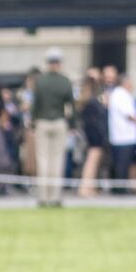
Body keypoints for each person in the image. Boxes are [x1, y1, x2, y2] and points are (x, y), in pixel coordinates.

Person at [31, 48, 73, 206]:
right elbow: (71, 105)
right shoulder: (65, 81)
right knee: (57, 160)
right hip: (59, 121)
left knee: (42, 160)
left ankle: (43, 197)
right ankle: (55, 197)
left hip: (42, 121)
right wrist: (72, 124)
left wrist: (33, 122)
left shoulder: (40, 81)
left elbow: (35, 105)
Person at [104, 67, 136, 194]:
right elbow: (130, 115)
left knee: (121, 164)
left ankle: (120, 188)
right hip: (124, 137)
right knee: (122, 165)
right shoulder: (121, 94)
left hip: (123, 136)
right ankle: (120, 189)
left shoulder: (118, 94)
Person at [77, 72, 108, 197]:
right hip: (95, 135)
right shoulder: (93, 101)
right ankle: (86, 188)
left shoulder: (84, 101)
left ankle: (89, 187)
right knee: (92, 161)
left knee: (91, 160)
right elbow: (99, 118)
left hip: (90, 133)